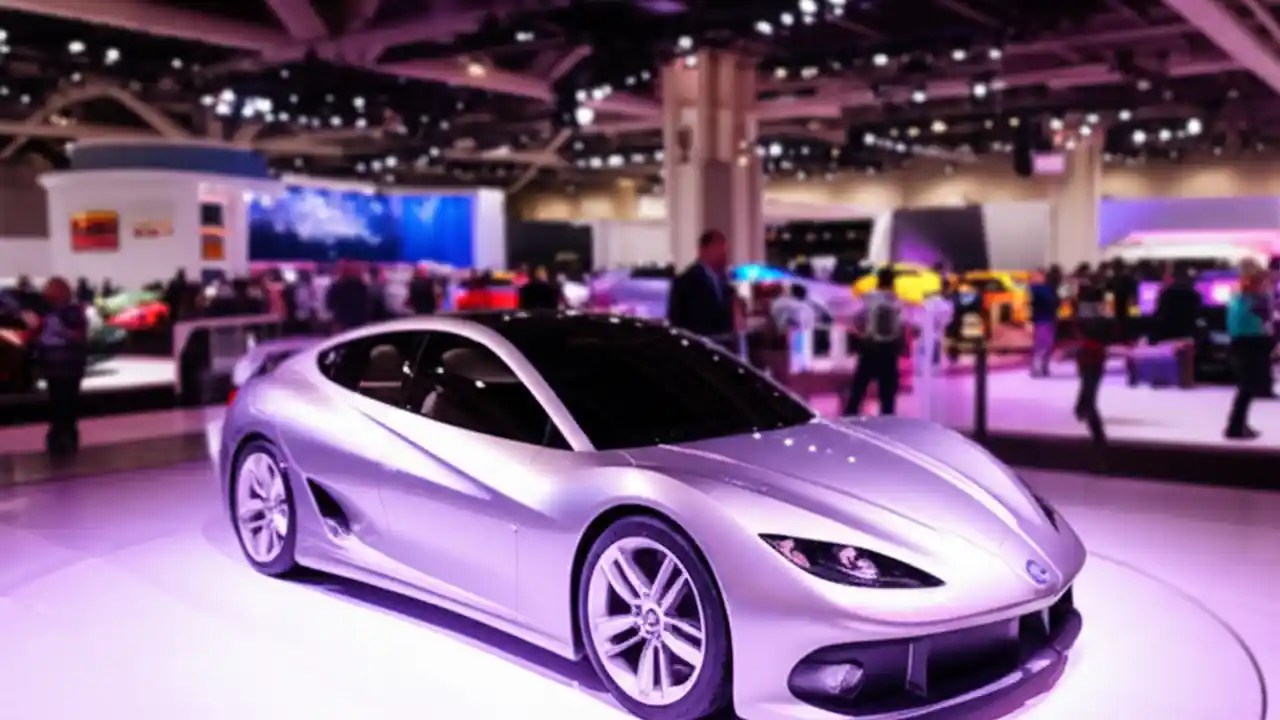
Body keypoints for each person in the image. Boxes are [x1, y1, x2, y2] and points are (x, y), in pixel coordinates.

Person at [34, 277, 89, 457]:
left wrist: (62, 331)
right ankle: (62, 438)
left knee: (65, 404)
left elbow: (80, 336)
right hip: (57, 367)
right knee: (60, 403)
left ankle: (63, 439)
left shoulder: (70, 312)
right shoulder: (52, 313)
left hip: (66, 367)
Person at [845, 268, 907, 416]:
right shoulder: (897, 300)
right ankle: (887, 417)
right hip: (890, 348)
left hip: (870, 345)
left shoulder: (868, 297)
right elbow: (902, 325)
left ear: (878, 280)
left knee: (860, 384)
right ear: (893, 281)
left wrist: (861, 333)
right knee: (887, 389)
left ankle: (850, 414)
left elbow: (856, 319)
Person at [1224, 261, 1273, 440]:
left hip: (1242, 342)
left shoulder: (1238, 296)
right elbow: (1266, 319)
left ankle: (1238, 424)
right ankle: (1235, 427)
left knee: (1247, 386)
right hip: (1251, 342)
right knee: (1248, 386)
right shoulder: (1255, 299)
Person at [667, 230, 735, 347]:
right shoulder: (686, 282)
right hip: (697, 351)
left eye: (724, 250)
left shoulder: (724, 283)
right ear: (704, 250)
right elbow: (678, 322)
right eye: (719, 249)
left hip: (723, 351)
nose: (724, 255)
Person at [1073, 273, 1112, 449]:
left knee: (1088, 393)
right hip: (1092, 355)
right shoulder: (1098, 307)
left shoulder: (1090, 310)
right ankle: (1083, 409)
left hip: (1091, 354)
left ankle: (1098, 436)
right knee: (1088, 389)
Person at [771, 283, 817, 372]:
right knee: (798, 349)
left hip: (799, 330)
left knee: (802, 349)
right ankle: (800, 366)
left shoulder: (797, 305)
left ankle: (802, 365)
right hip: (796, 330)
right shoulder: (792, 305)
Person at [1029, 266, 1063, 377]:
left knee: (1045, 345)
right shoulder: (1044, 290)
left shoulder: (1047, 290)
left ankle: (1041, 367)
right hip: (1044, 319)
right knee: (1043, 345)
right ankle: (1038, 368)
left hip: (1046, 319)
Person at [326, 262, 372, 331]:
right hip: (353, 324)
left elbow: (330, 305)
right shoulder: (363, 287)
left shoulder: (337, 286)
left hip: (347, 323)